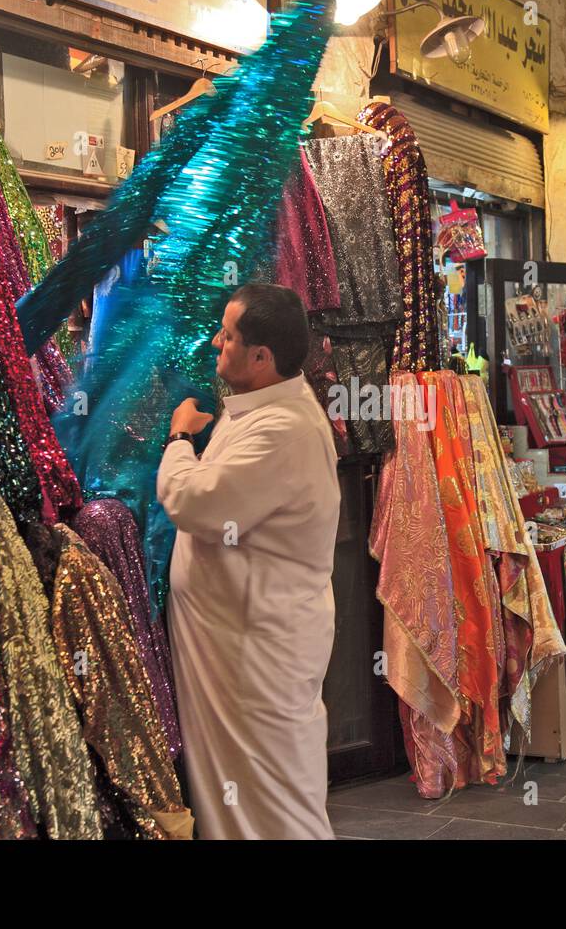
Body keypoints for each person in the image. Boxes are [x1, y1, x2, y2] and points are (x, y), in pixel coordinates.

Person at [157, 283, 340, 839]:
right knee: (244, 792)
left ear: (262, 357)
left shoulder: (285, 429)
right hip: (237, 644)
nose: (216, 342)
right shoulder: (263, 411)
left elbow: (196, 502)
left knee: (274, 797)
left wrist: (177, 439)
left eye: (229, 336)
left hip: (257, 650)